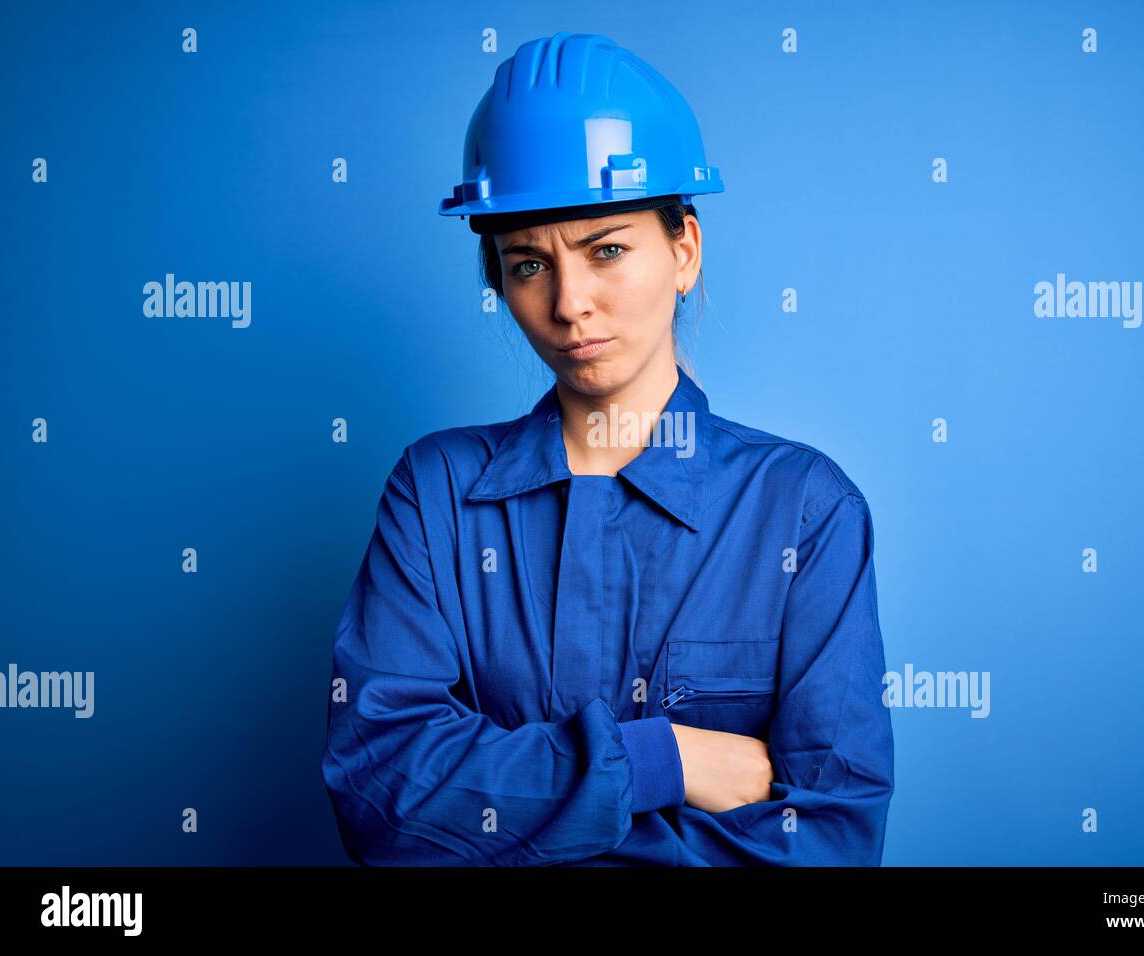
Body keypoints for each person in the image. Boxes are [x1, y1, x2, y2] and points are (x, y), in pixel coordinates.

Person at [321, 31, 894, 866]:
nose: (569, 303)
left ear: (684, 250)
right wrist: (668, 759)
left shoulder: (805, 512)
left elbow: (829, 842)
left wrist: (515, 809)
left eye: (608, 249)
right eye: (527, 264)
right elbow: (384, 798)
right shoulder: (436, 494)